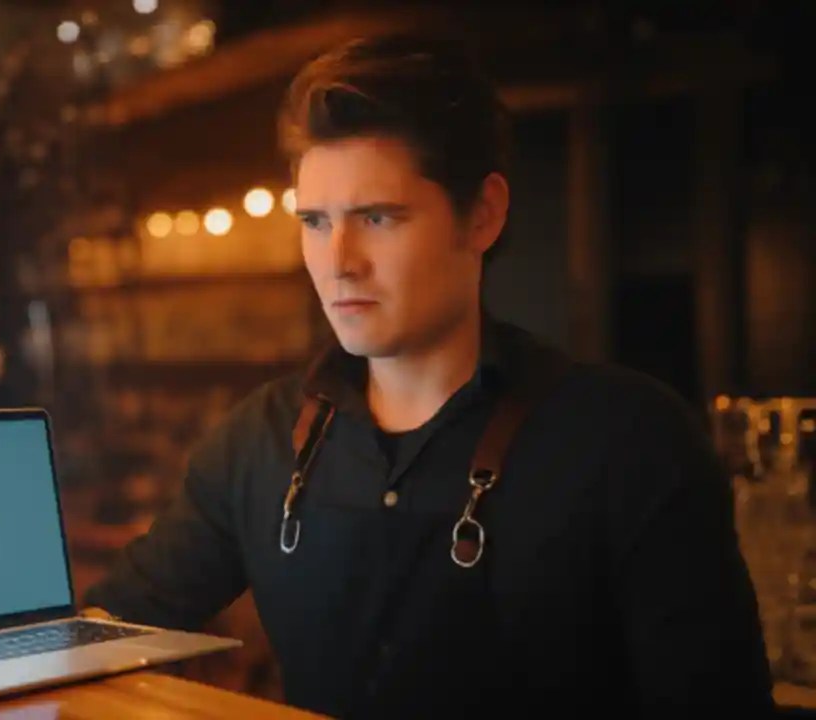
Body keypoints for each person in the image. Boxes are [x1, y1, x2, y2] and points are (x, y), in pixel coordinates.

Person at [81, 35, 774, 718]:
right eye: (316, 222)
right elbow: (109, 632)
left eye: (377, 218)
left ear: (482, 215)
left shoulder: (629, 443)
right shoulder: (256, 442)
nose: (338, 261)